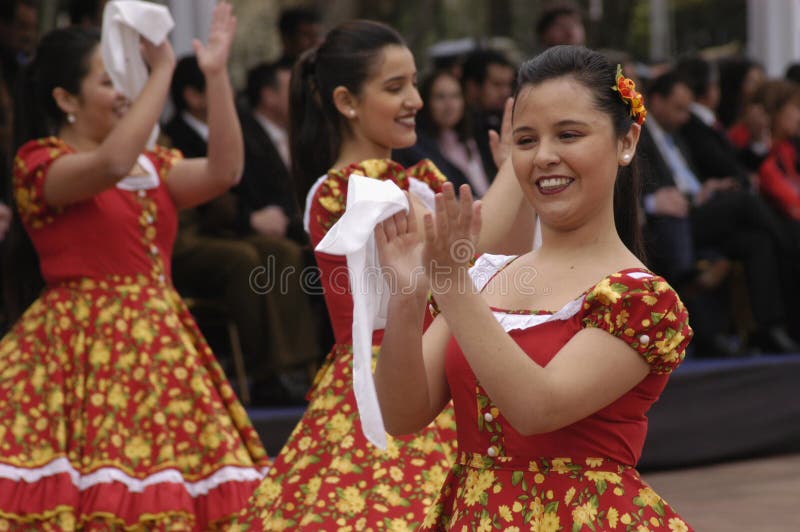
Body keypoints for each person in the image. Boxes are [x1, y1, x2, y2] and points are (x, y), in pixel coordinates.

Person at [375, 45, 694, 530]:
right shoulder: (486, 276)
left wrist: (452, 284)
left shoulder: (642, 300)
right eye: (525, 141)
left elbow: (536, 408)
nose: (544, 157)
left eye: (568, 134)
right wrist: (408, 293)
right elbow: (401, 416)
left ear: (626, 141)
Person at [0, 4, 269, 529]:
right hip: (77, 349)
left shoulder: (150, 167)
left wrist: (214, 75)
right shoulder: (40, 164)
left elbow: (225, 169)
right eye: (109, 80)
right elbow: (109, 165)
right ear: (64, 99)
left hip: (160, 347)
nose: (124, 91)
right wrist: (163, 72)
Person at [235, 20, 461, 531]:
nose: (417, 100)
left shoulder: (416, 179)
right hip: (385, 376)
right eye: (395, 86)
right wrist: (522, 169)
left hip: (438, 366)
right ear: (346, 101)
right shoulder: (348, 190)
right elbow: (464, 242)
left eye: (414, 83)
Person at [163, 55, 318, 406]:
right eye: (217, 86)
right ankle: (263, 371)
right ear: (192, 95)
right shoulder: (176, 135)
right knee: (245, 259)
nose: (229, 94)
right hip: (192, 234)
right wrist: (248, 220)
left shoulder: (232, 128)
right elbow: (205, 199)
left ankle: (299, 365)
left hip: (229, 228)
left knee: (284, 253)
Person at [394, 70, 491, 197]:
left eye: (455, 96)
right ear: (426, 101)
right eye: (440, 97)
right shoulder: (415, 148)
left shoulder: (475, 139)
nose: (449, 105)